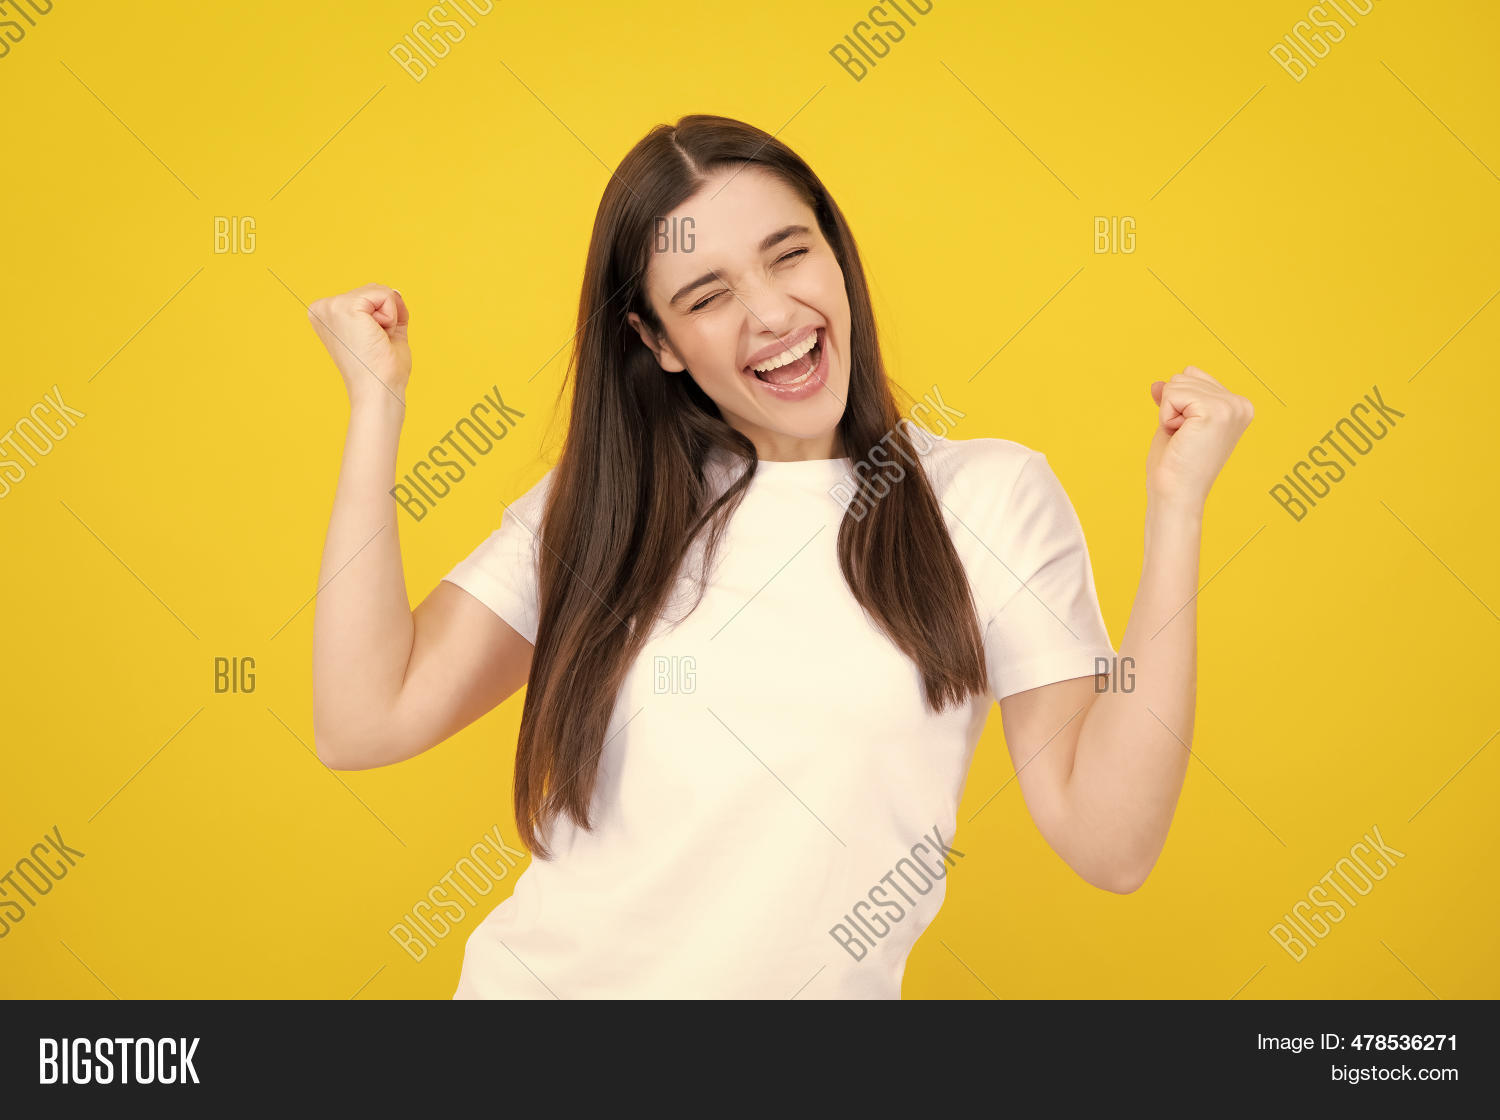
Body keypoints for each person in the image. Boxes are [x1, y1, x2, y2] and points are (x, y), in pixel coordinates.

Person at [304, 114, 1254, 999]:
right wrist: (375, 403)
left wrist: (1177, 514)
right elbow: (362, 722)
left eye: (789, 253)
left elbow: (1110, 842)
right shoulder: (607, 505)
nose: (769, 313)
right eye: (707, 296)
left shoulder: (985, 499)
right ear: (657, 342)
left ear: (836, 253)